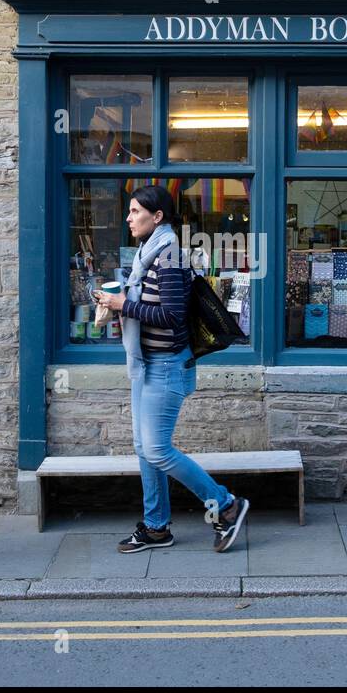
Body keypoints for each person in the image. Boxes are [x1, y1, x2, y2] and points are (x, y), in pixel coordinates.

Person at [93, 185, 250, 554]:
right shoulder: (148, 254)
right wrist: (117, 303)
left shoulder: (170, 256)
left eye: (135, 212)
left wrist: (122, 304)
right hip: (146, 365)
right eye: (129, 211)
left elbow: (171, 316)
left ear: (157, 216)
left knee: (158, 450)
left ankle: (226, 505)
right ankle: (156, 528)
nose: (129, 218)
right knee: (144, 448)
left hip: (167, 366)